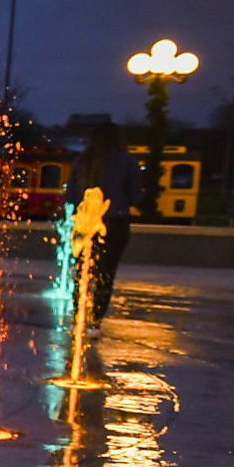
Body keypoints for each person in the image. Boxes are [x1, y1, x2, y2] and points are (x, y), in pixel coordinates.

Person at [66, 123, 143, 332]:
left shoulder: (81, 162)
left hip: (85, 223)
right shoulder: (127, 162)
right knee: (105, 274)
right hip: (115, 222)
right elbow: (136, 196)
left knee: (82, 272)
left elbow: (71, 197)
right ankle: (95, 323)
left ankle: (77, 317)